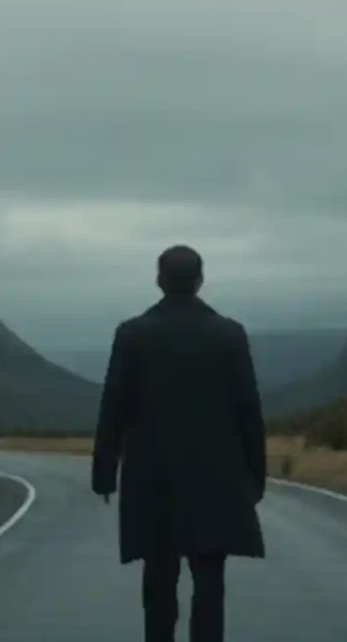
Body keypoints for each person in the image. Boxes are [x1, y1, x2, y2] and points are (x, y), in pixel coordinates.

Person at [92, 244, 266, 642]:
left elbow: (113, 406)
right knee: (210, 581)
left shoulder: (132, 334)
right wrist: (255, 477)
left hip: (152, 480)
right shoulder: (229, 334)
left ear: (159, 279)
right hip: (216, 479)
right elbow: (248, 411)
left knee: (158, 580)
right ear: (200, 280)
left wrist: (105, 473)